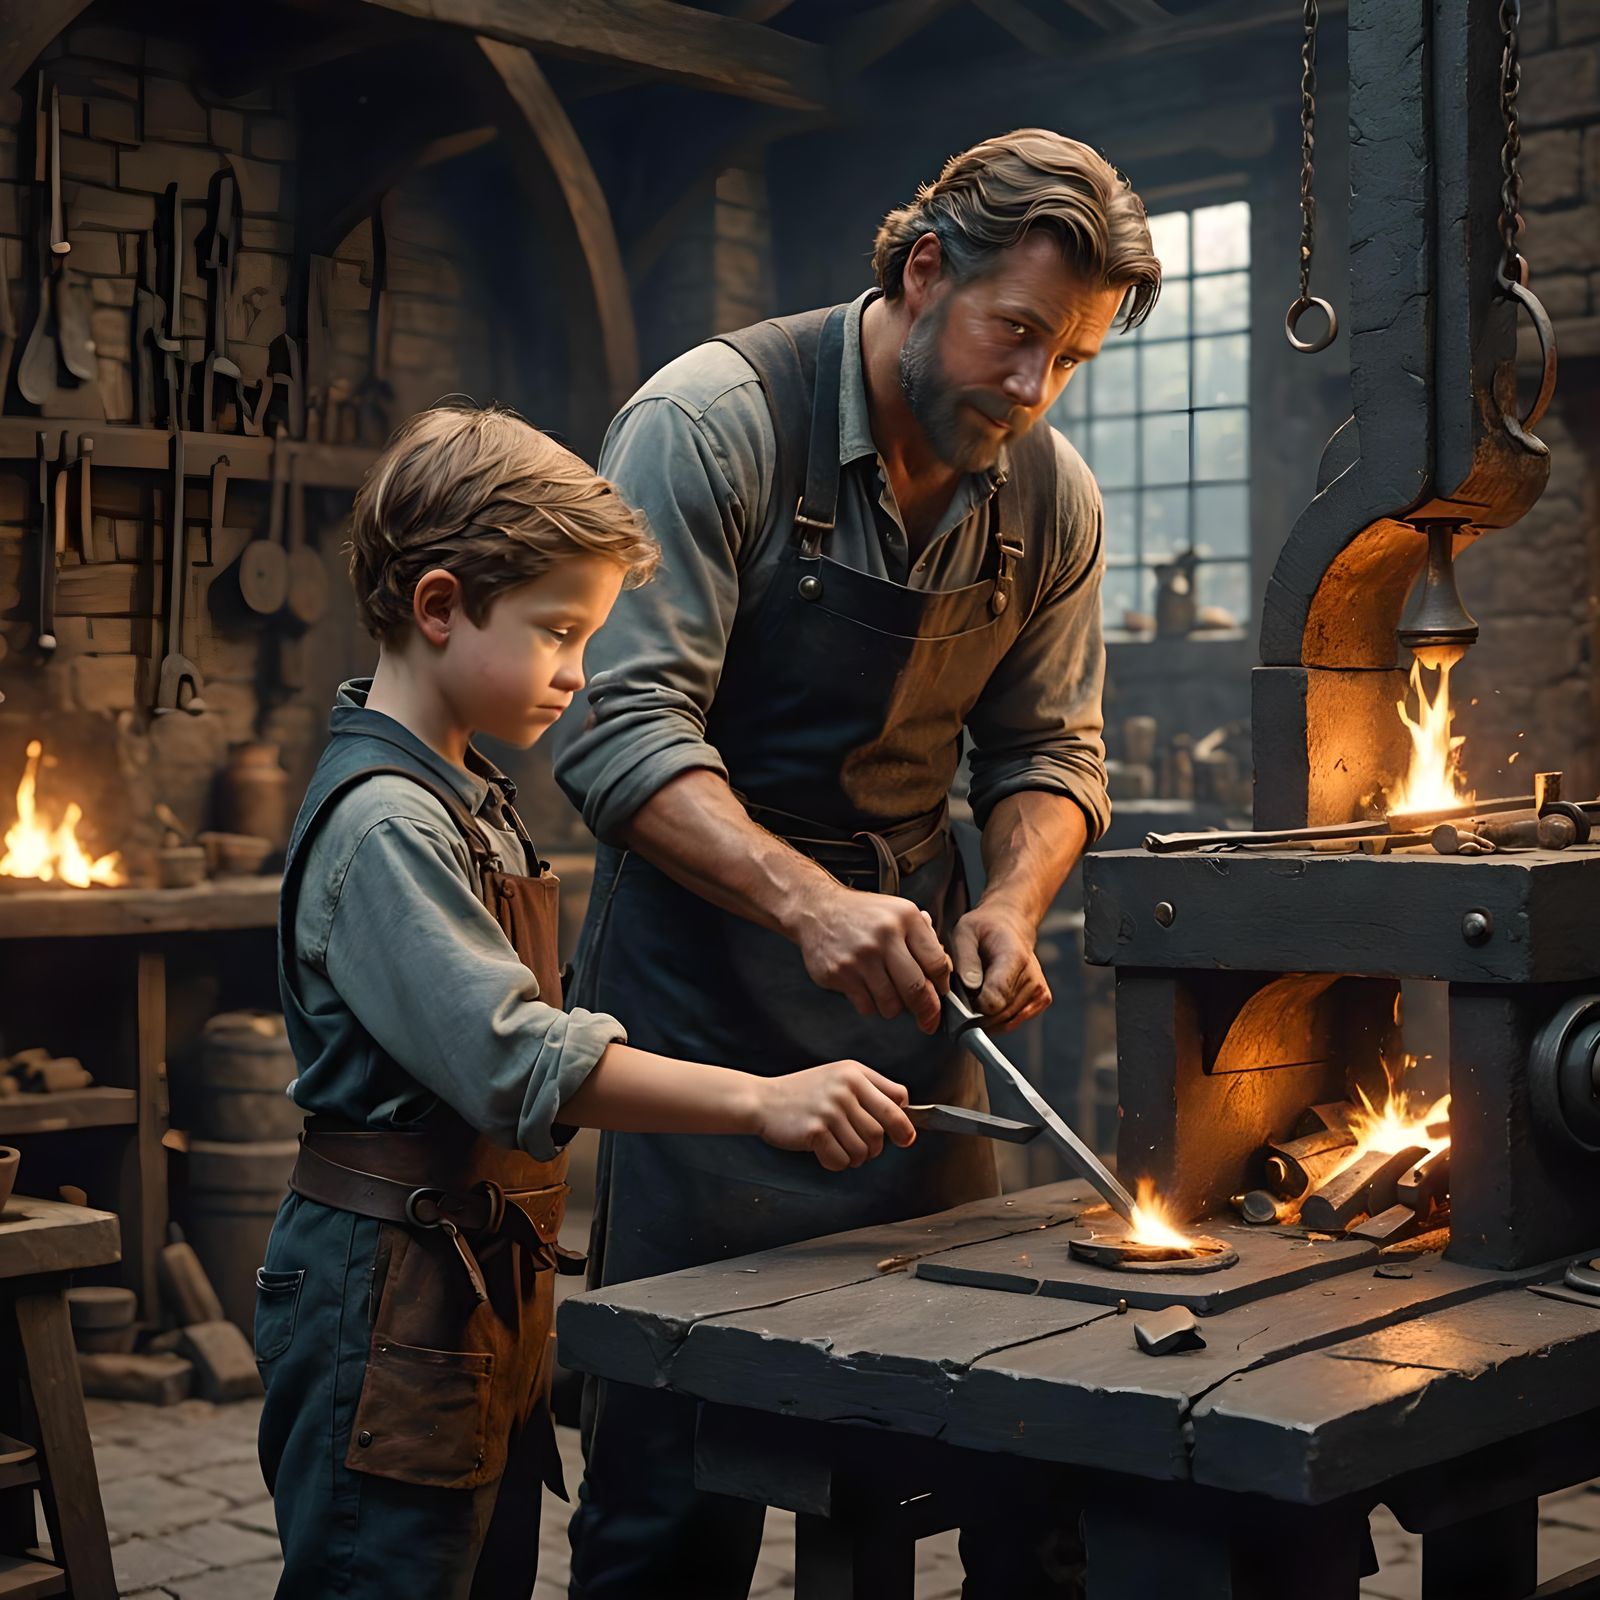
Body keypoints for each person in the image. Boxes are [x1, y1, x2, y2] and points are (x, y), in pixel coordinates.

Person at [553, 129, 1162, 1597]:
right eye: (1017, 335)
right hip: (700, 1002)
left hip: (909, 1010)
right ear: (920, 268)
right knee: (670, 1479)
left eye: (1070, 359)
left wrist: (1011, 902)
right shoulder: (711, 424)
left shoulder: (1047, 496)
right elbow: (618, 731)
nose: (1033, 391)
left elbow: (1049, 756)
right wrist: (805, 900)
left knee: (957, 1400)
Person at [254, 403, 918, 1600]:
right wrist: (762, 1101)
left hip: (469, 1285)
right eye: (559, 633)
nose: (580, 672)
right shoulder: (386, 824)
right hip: (380, 1297)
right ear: (440, 604)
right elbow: (517, 1059)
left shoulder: (468, 793)